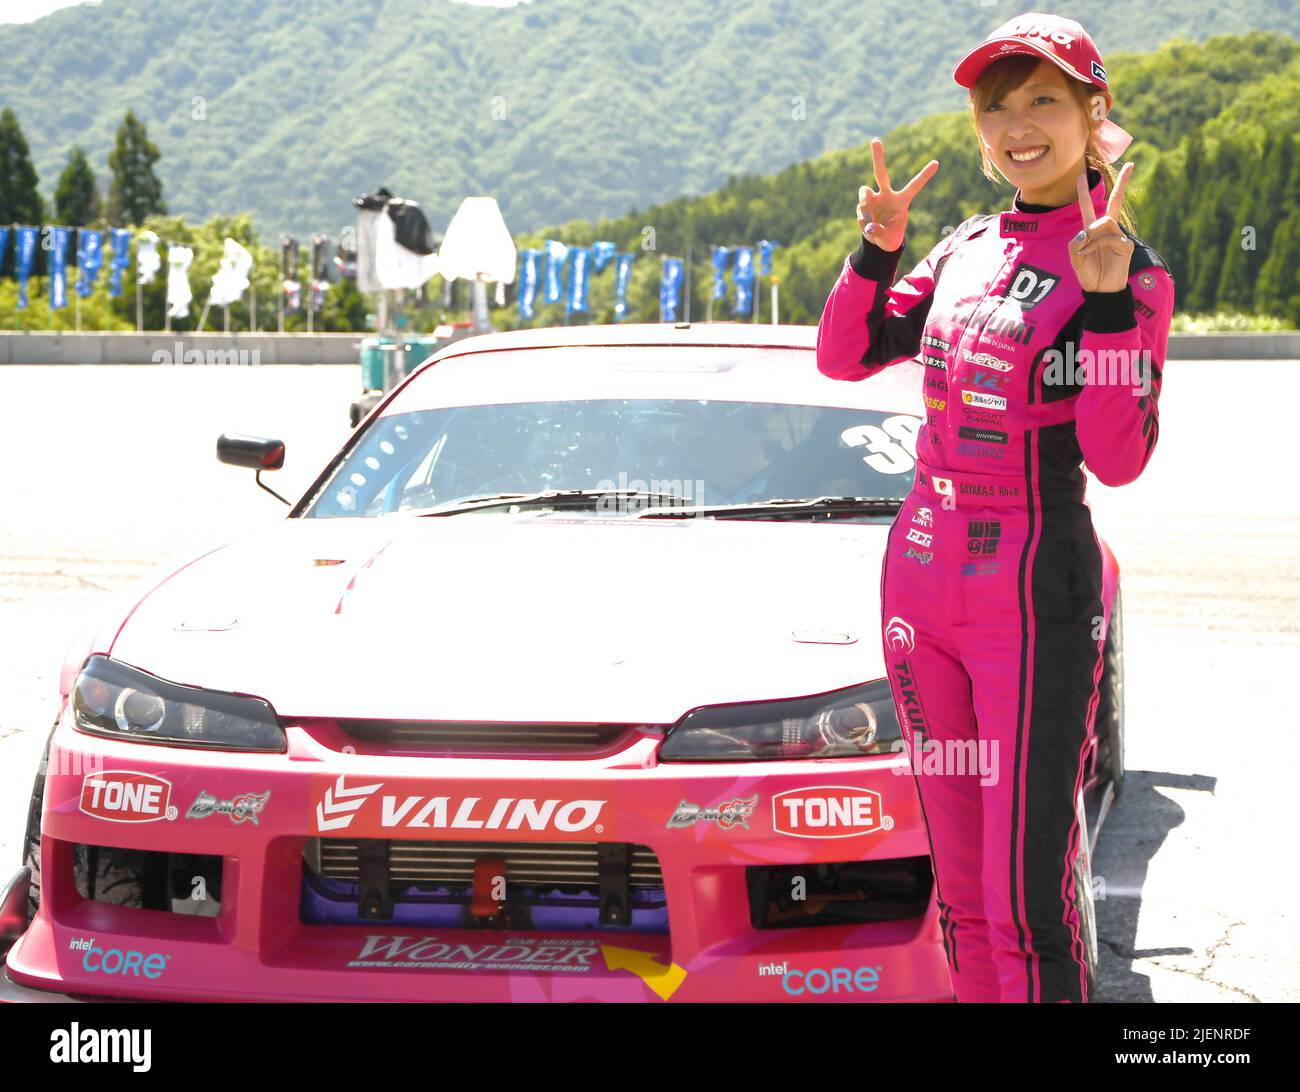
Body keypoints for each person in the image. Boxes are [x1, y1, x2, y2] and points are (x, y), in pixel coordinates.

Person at [814, 12, 1174, 1003]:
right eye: (996, 108)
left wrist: (1102, 305)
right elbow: (843, 354)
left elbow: (1117, 456)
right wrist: (877, 248)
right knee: (960, 892)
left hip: (1030, 591)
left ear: (1093, 113)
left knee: (1025, 898)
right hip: (919, 579)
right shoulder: (964, 246)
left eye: (1044, 102)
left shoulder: (1128, 273)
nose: (1018, 126)